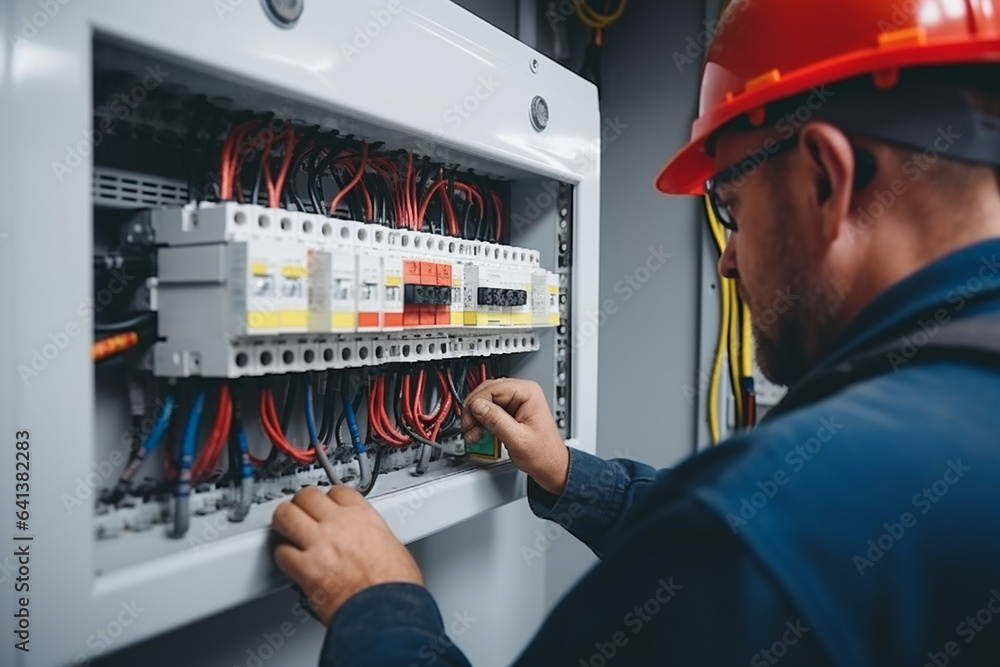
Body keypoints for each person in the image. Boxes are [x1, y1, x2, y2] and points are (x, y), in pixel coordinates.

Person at [271, 1, 1000, 664]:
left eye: (735, 210)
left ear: (825, 180)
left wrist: (379, 604)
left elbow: (748, 547)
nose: (728, 259)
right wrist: (572, 474)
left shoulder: (765, 534)